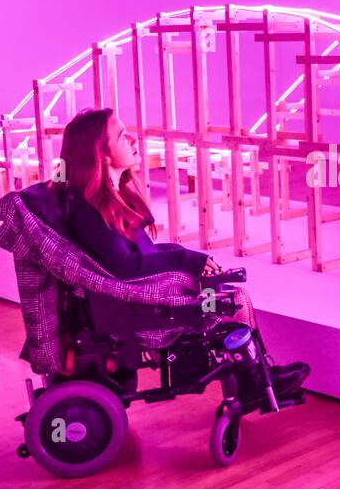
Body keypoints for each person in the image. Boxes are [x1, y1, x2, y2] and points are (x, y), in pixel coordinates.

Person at [56, 107, 307, 397]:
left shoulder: (105, 199)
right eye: (123, 137)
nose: (135, 142)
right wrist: (188, 260)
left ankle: (260, 376)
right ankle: (258, 383)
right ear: (101, 154)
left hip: (142, 299)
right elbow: (124, 268)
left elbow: (137, 257)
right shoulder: (91, 209)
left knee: (231, 294)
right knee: (236, 301)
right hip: (141, 313)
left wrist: (184, 256)